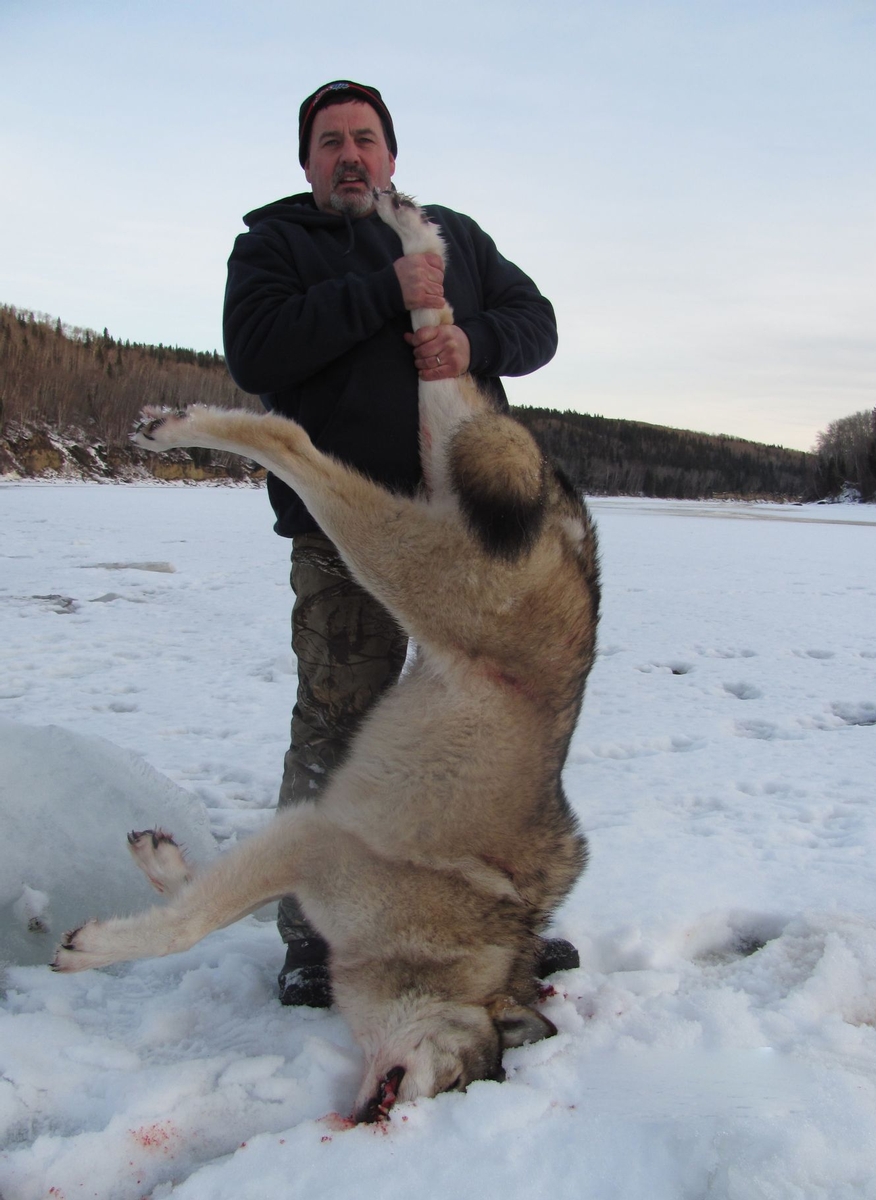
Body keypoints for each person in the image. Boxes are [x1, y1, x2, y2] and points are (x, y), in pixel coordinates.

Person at [223, 80, 577, 1006]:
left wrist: (473, 341)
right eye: (331, 141)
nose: (349, 154)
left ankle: (482, 919)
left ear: (391, 156)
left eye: (366, 139)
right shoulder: (274, 245)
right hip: (350, 538)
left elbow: (537, 324)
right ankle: (312, 935)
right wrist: (385, 291)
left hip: (470, 539)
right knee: (340, 728)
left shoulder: (453, 233)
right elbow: (258, 353)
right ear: (307, 162)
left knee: (477, 737)